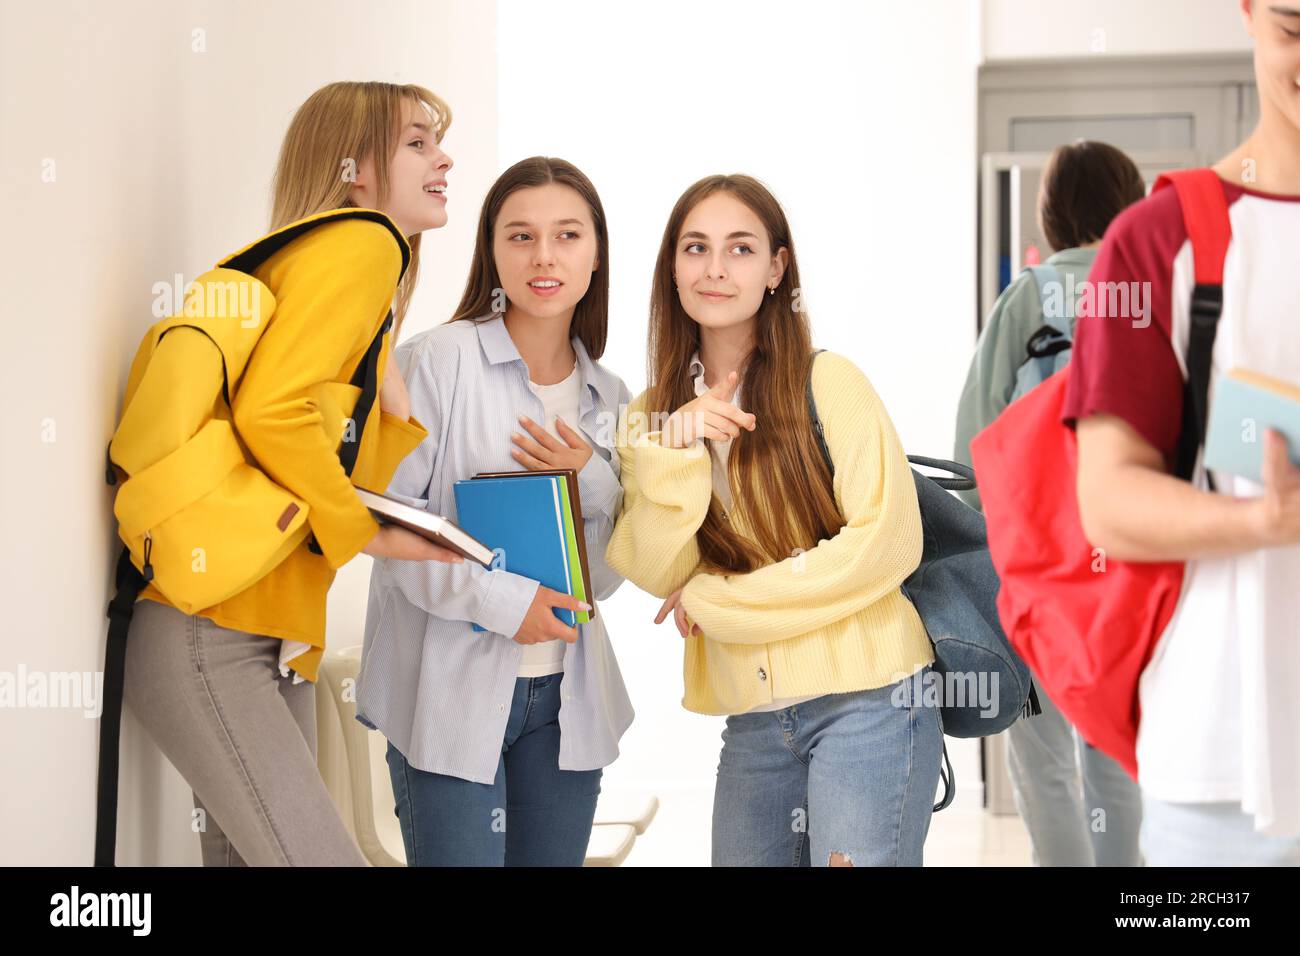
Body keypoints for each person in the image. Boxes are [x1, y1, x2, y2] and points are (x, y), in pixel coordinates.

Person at [122, 81, 463, 866]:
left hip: (263, 639)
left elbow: (306, 451)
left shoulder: (327, 264)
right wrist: (368, 533)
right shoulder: (363, 242)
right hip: (215, 635)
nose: (443, 159)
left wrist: (390, 393)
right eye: (416, 142)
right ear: (356, 170)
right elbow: (271, 414)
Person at [606, 174, 942, 867]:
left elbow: (884, 545)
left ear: (776, 268)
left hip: (872, 702)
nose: (716, 268)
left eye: (740, 248)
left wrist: (719, 601)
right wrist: (677, 444)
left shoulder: (831, 383)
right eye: (696, 248)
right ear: (672, 267)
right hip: (755, 722)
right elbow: (655, 569)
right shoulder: (648, 418)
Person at [1068, 0, 1300, 864]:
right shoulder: (1161, 240)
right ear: (1248, 11)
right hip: (1220, 763)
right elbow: (1110, 501)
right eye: (1295, 27)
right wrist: (1262, 521)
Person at [357, 156, 635, 867]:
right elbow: (385, 526)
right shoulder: (438, 362)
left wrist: (593, 477)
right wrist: (508, 602)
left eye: (568, 235)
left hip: (567, 704)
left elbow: (607, 573)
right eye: (520, 237)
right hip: (447, 699)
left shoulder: (610, 396)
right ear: (492, 251)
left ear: (596, 253)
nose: (544, 257)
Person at [954, 140, 1146, 866]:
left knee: (1041, 760)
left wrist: (978, 555)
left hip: (1036, 563)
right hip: (1130, 564)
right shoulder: (1155, 292)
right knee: (1116, 753)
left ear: (1053, 214)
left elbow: (975, 441)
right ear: (1128, 203)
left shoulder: (1028, 297)